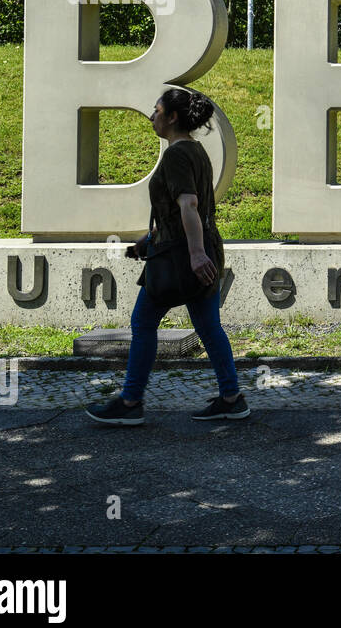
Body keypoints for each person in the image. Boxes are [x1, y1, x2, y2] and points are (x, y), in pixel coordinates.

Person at [86, 88, 249, 425]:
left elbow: (188, 204)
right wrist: (146, 242)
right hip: (198, 246)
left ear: (172, 117)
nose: (152, 116)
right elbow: (181, 211)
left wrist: (195, 254)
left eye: (157, 110)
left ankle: (131, 401)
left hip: (181, 255)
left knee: (143, 323)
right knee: (208, 326)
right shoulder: (197, 151)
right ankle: (231, 397)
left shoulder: (176, 155)